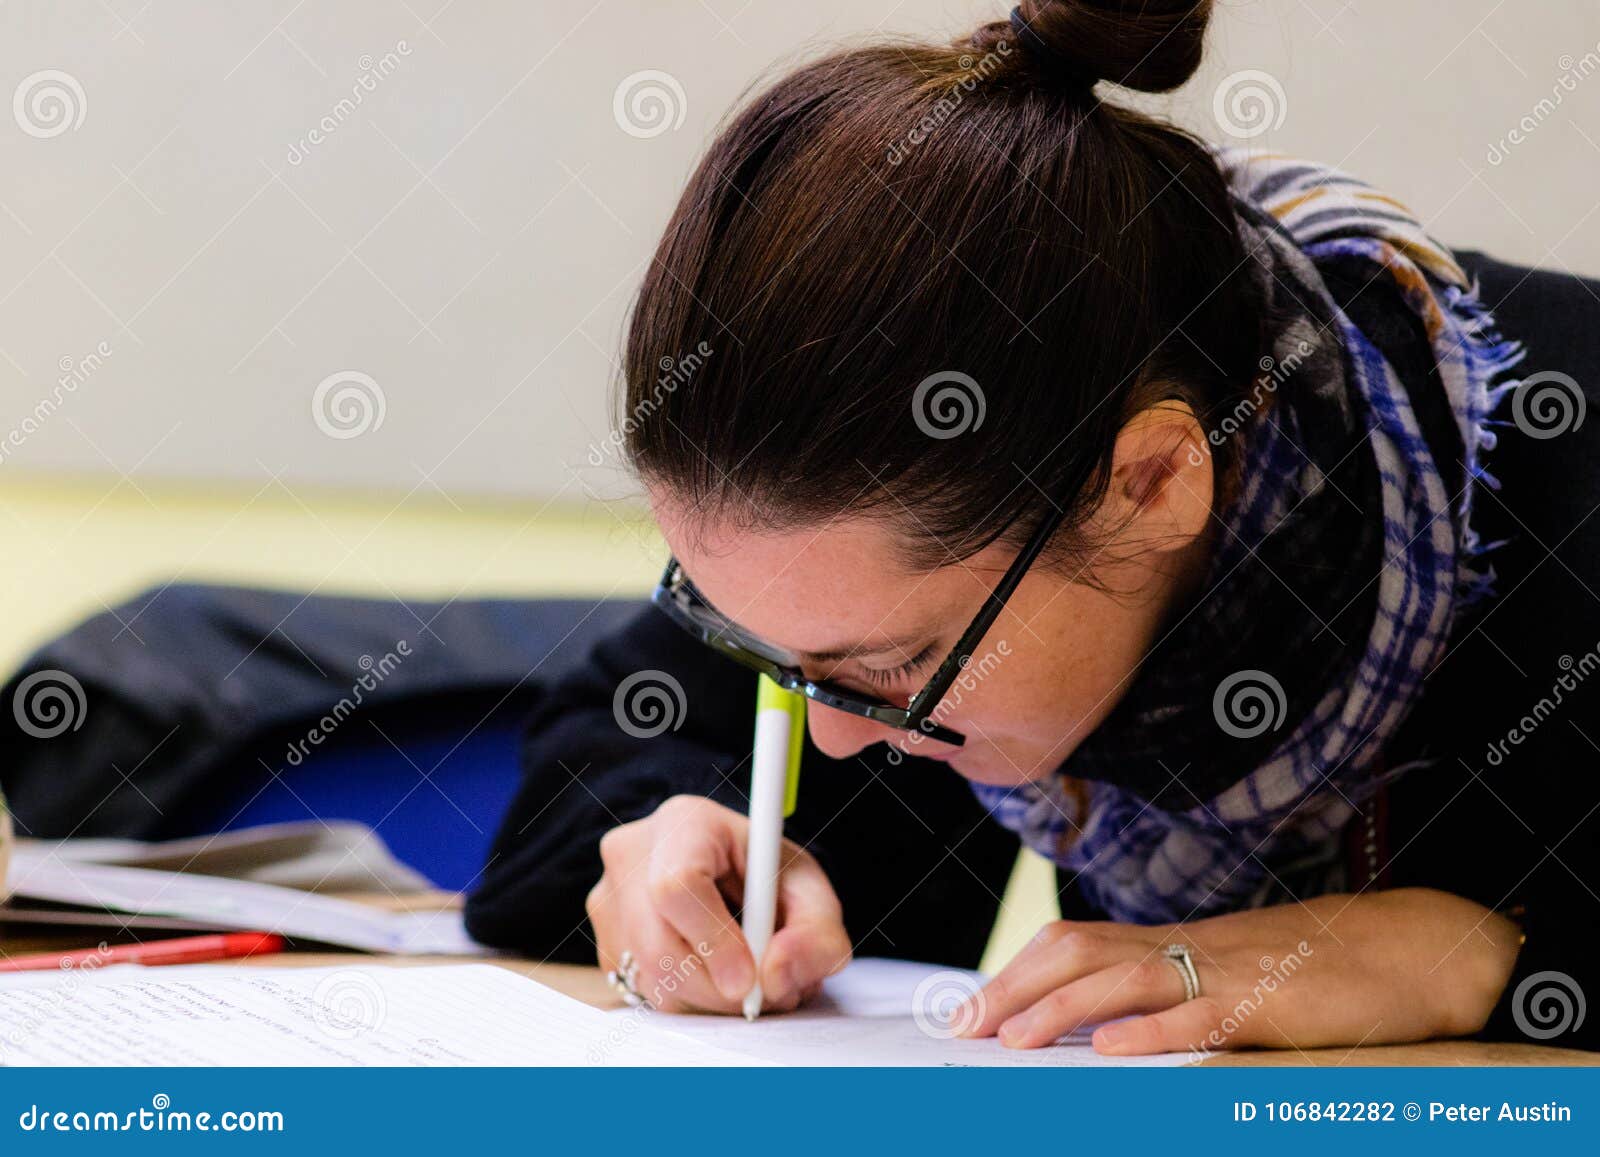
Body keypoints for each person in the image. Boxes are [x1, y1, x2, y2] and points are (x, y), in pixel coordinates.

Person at [466, 0, 1600, 1055]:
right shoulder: (854, 532)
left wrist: (1488, 955)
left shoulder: (1565, 470)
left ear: (1155, 483)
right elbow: (571, 805)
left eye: (895, 667)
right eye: (761, 648)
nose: (829, 740)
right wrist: (664, 848)